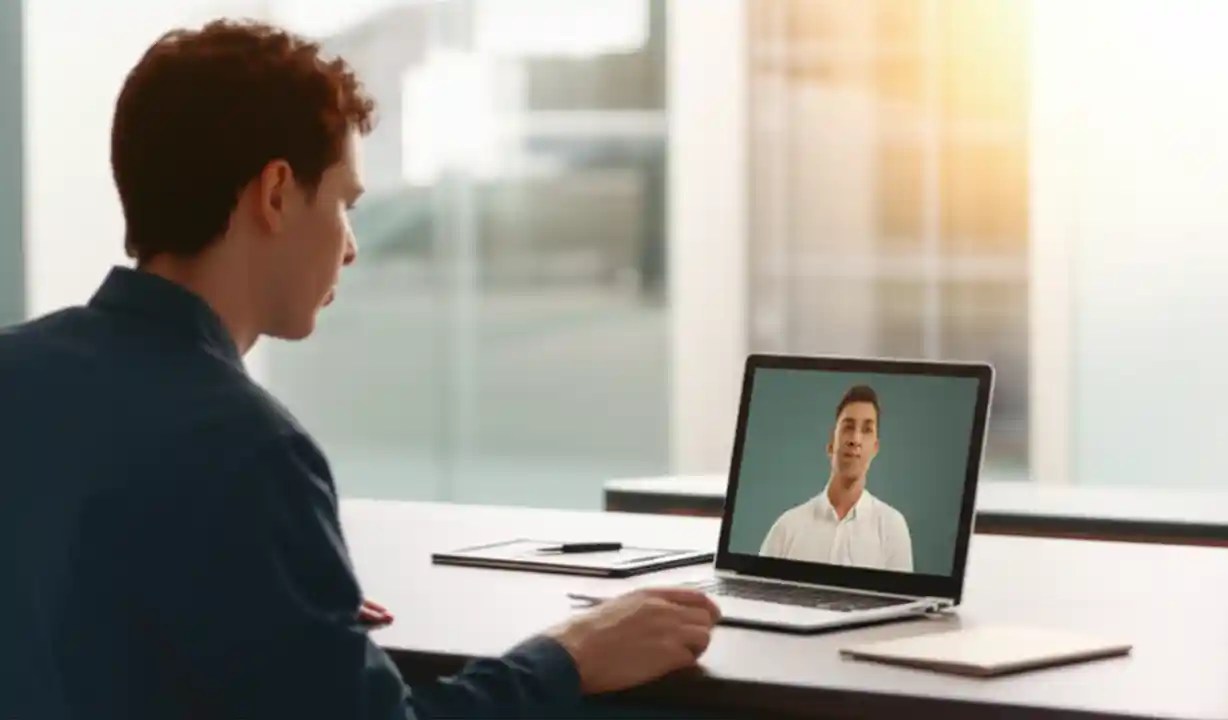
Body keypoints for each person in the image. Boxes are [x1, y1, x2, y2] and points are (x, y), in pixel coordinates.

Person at [0, 19, 718, 720]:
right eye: (345, 202)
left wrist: (297, 614)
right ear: (276, 194)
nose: (350, 247)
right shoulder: (246, 448)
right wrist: (567, 654)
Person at [759, 385, 913, 571]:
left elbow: (901, 599)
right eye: (848, 427)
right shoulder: (786, 528)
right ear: (831, 444)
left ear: (875, 448)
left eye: (866, 430)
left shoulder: (892, 527)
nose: (855, 439)